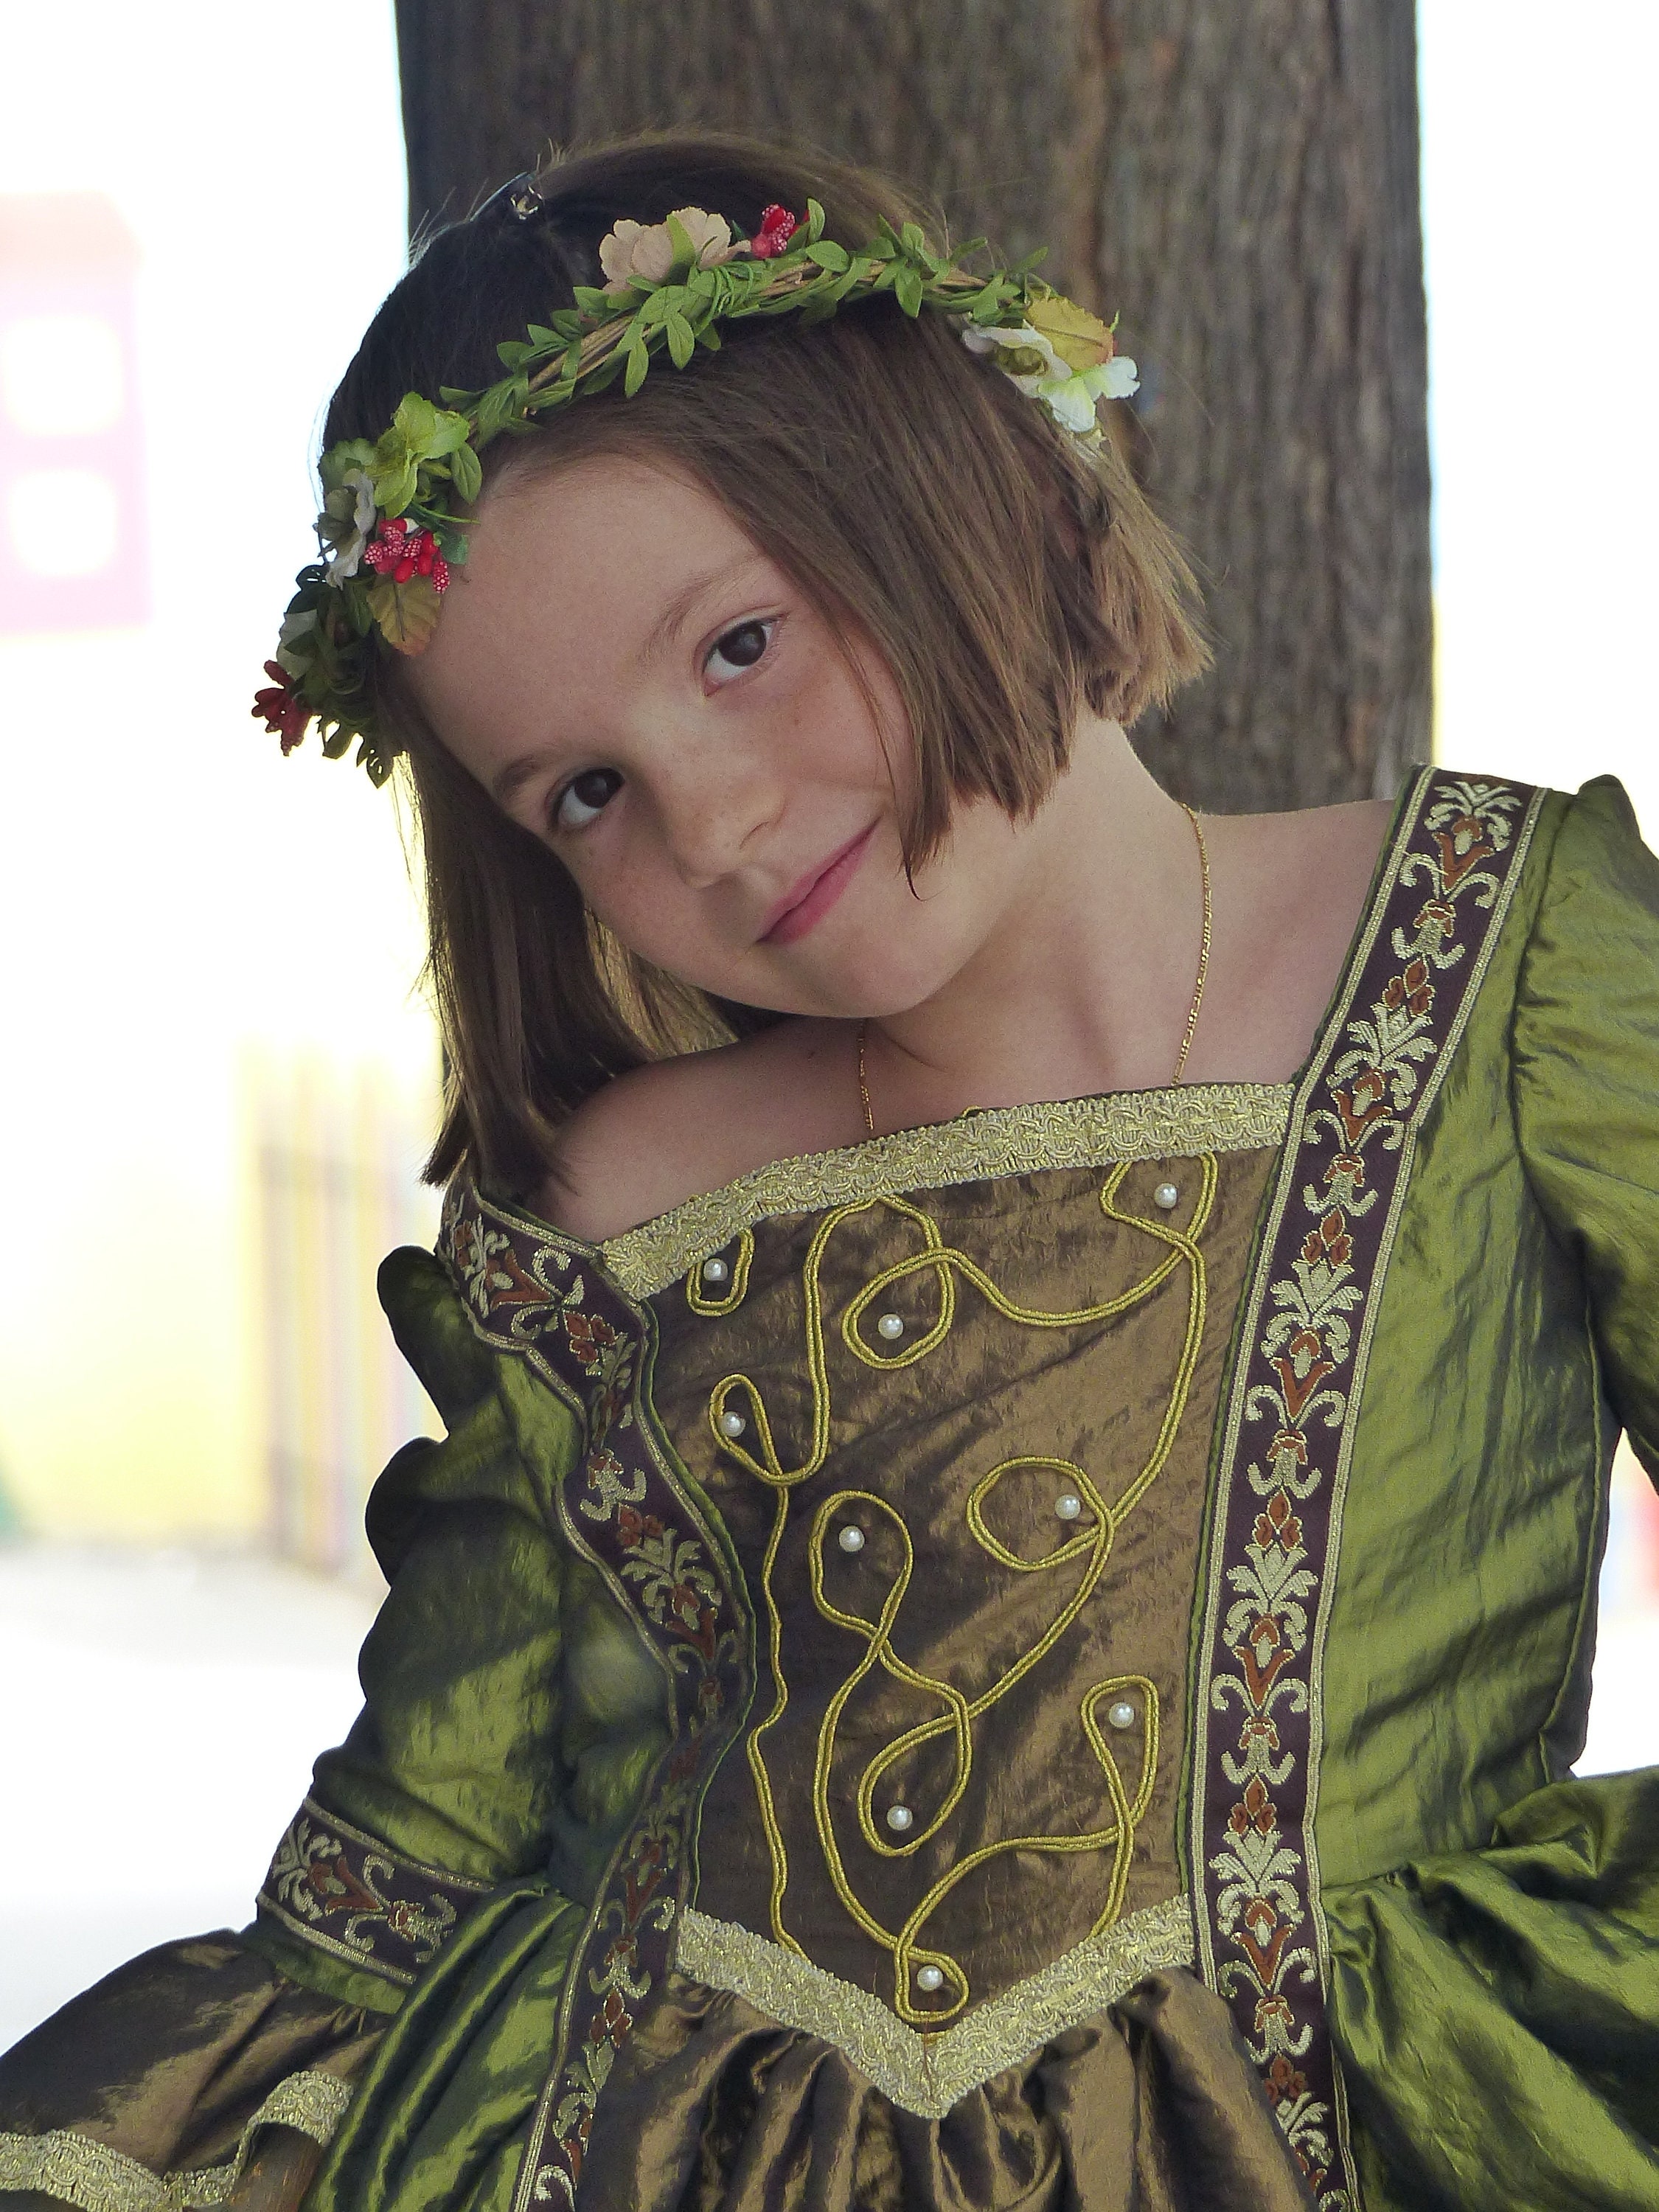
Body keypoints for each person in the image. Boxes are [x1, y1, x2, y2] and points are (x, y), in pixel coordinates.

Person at [2, 128, 1656, 2212]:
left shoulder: (1499, 969)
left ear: (949, 474)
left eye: (736, 647)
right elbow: (412, 1862)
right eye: (581, 790)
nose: (701, 824)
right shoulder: (603, 1213)